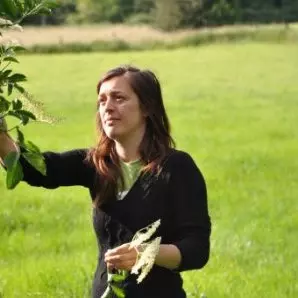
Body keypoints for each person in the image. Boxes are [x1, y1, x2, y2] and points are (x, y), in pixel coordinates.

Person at [0, 65, 211, 298]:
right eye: (102, 101)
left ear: (147, 107)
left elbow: (197, 249)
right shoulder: (96, 164)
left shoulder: (176, 168)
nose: (107, 107)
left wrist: (147, 252)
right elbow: (35, 168)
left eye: (119, 98)